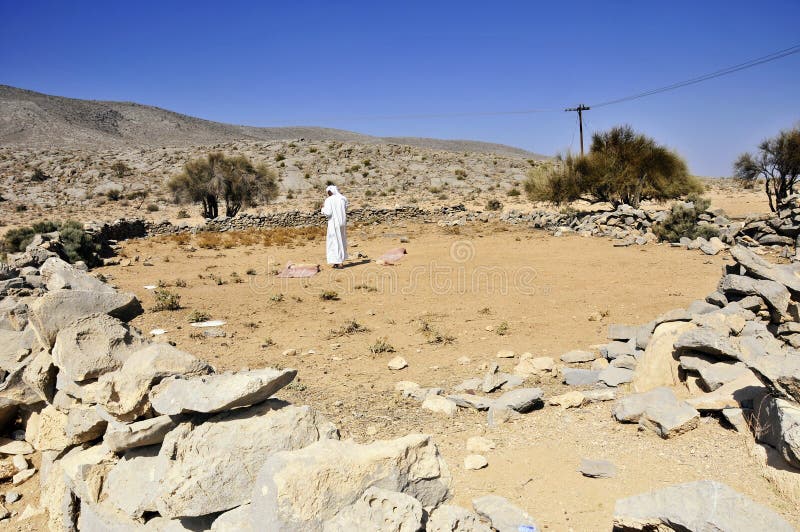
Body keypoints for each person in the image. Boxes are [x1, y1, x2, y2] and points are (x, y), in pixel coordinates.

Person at [321, 185, 348, 268]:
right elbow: (345, 208)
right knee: (341, 240)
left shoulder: (329, 200)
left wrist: (322, 209)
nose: (328, 194)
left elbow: (328, 213)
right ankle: (336, 261)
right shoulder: (343, 198)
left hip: (334, 223)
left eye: (328, 192)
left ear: (330, 192)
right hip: (342, 222)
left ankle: (339, 262)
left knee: (334, 241)